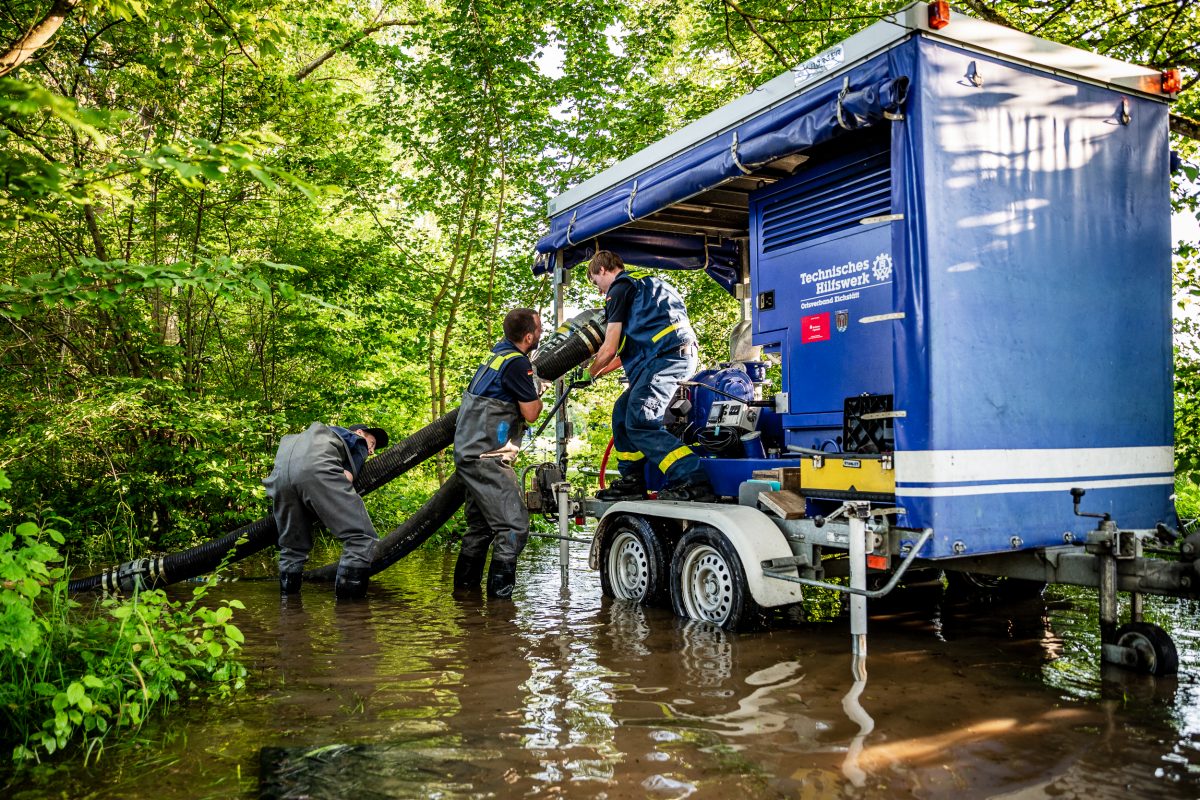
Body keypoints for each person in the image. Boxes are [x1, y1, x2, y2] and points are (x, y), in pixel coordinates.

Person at [586, 251, 715, 502]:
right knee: (623, 412)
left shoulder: (619, 289)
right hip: (670, 355)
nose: (600, 291)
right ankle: (631, 480)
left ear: (602, 270)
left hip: (665, 358)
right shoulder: (649, 285)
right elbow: (624, 354)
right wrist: (598, 371)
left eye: (595, 282)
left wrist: (587, 373)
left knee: (641, 421)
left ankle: (692, 478)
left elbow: (609, 347)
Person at [453, 308, 544, 598]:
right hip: (488, 458)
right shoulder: (517, 364)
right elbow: (530, 413)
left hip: (471, 454)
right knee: (514, 527)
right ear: (529, 336)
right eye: (540, 329)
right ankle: (501, 611)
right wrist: (537, 395)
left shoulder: (496, 355)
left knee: (480, 528)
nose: (542, 333)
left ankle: (466, 604)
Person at [264, 422, 389, 599]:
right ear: (360, 432)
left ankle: (288, 609)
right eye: (373, 443)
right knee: (361, 539)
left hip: (279, 479)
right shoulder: (357, 440)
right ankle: (351, 615)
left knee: (292, 549)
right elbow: (346, 478)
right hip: (315, 470)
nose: (371, 451)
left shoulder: (307, 438)